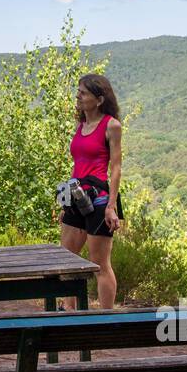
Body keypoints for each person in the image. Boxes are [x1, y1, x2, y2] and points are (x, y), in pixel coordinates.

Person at [58, 73, 122, 310]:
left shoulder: (111, 126)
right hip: (75, 195)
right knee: (67, 259)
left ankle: (105, 318)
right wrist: (65, 204)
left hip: (99, 199)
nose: (78, 97)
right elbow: (77, 165)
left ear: (99, 98)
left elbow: (116, 168)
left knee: (99, 263)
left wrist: (111, 207)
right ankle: (69, 312)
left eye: (83, 93)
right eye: (79, 92)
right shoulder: (80, 126)